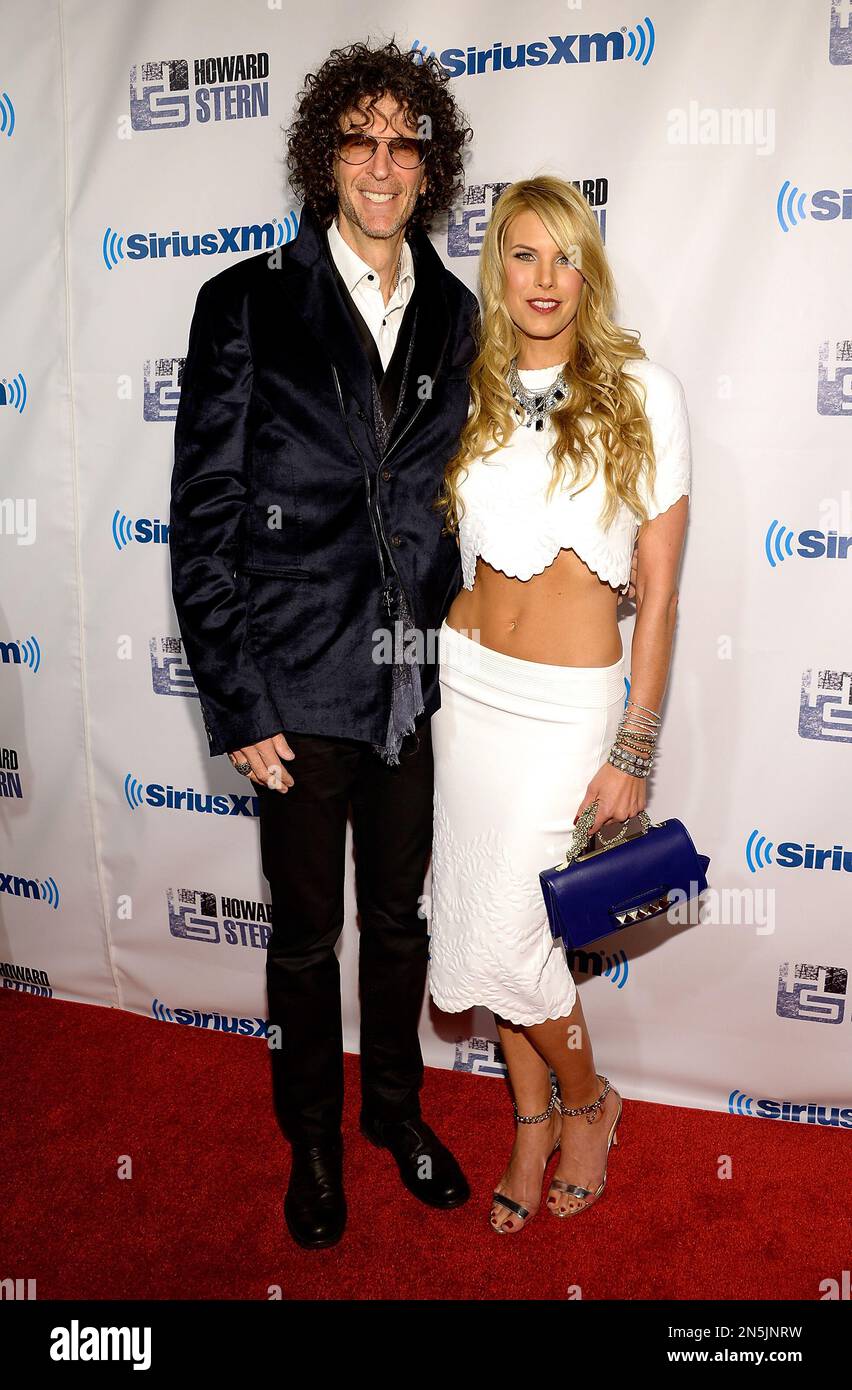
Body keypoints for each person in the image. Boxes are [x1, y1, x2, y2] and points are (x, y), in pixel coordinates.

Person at [169, 39, 480, 1249]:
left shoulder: (457, 315)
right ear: (324, 156)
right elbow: (202, 521)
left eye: (407, 141)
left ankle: (392, 1113)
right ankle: (310, 1134)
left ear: (430, 163)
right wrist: (238, 702)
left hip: (407, 677)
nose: (384, 164)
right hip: (293, 683)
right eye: (361, 138)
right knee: (304, 934)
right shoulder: (244, 303)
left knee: (400, 921)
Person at [428, 175, 691, 1234]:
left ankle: (588, 1102)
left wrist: (636, 743)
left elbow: (661, 591)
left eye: (565, 256)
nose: (545, 279)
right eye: (524, 255)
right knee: (478, 926)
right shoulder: (474, 389)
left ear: (590, 269)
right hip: (466, 687)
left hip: (567, 708)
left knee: (520, 937)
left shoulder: (642, 391)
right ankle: (529, 1118)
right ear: (501, 268)